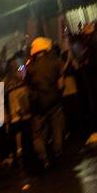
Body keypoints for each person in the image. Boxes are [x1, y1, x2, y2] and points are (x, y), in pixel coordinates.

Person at [25, 37, 65, 169]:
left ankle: (44, 158)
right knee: (56, 127)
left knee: (37, 134)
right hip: (54, 101)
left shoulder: (30, 69)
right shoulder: (56, 62)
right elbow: (61, 84)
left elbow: (27, 88)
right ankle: (58, 152)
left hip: (38, 106)